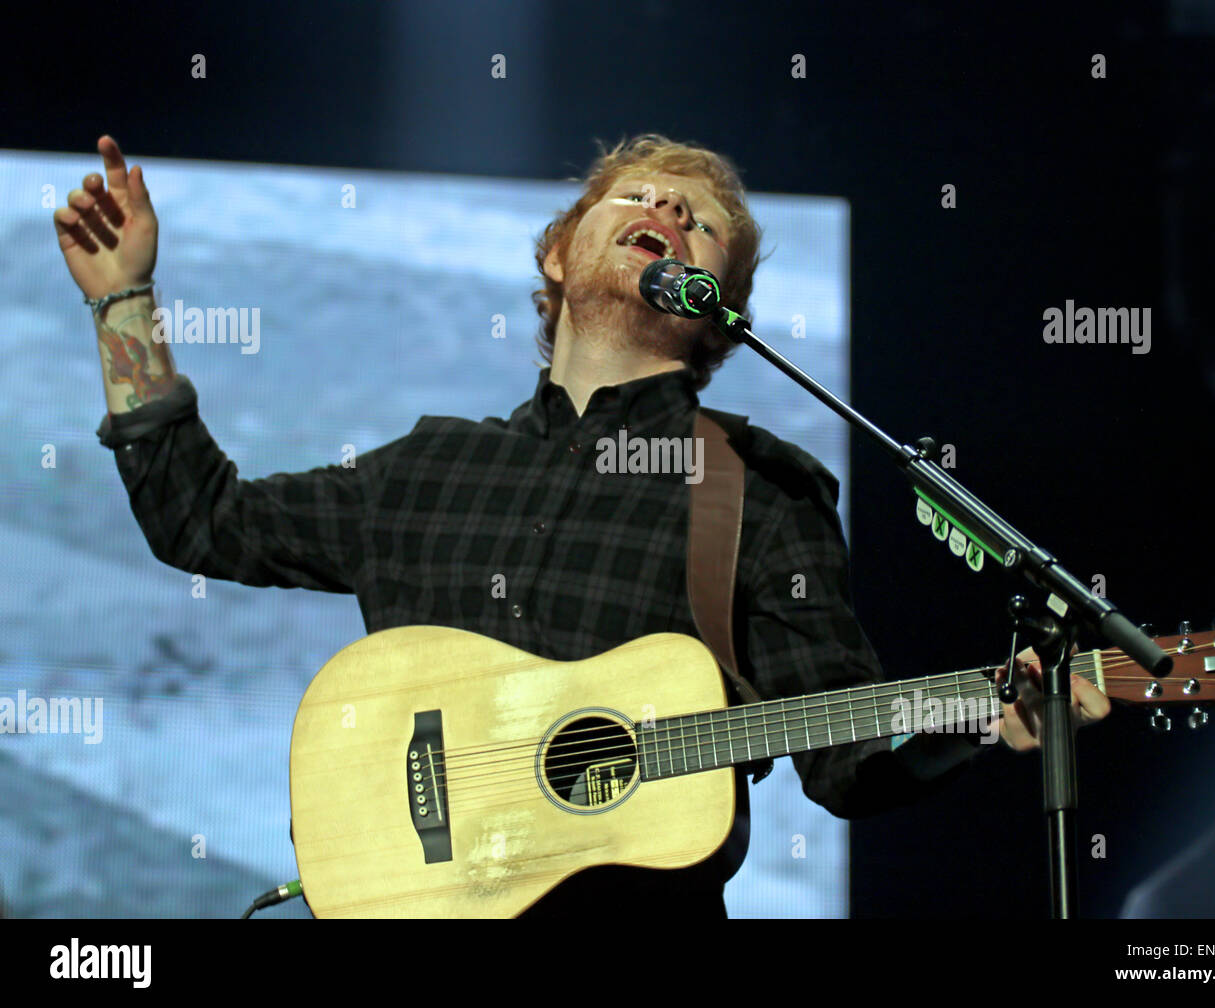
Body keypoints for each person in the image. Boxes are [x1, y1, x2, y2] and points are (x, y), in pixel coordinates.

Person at [55, 133, 1110, 918]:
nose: (666, 210)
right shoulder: (429, 467)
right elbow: (204, 521)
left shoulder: (759, 488)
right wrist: (125, 305)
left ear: (714, 302)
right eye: (638, 198)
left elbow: (841, 751)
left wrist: (974, 712)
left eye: (697, 220)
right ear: (559, 256)